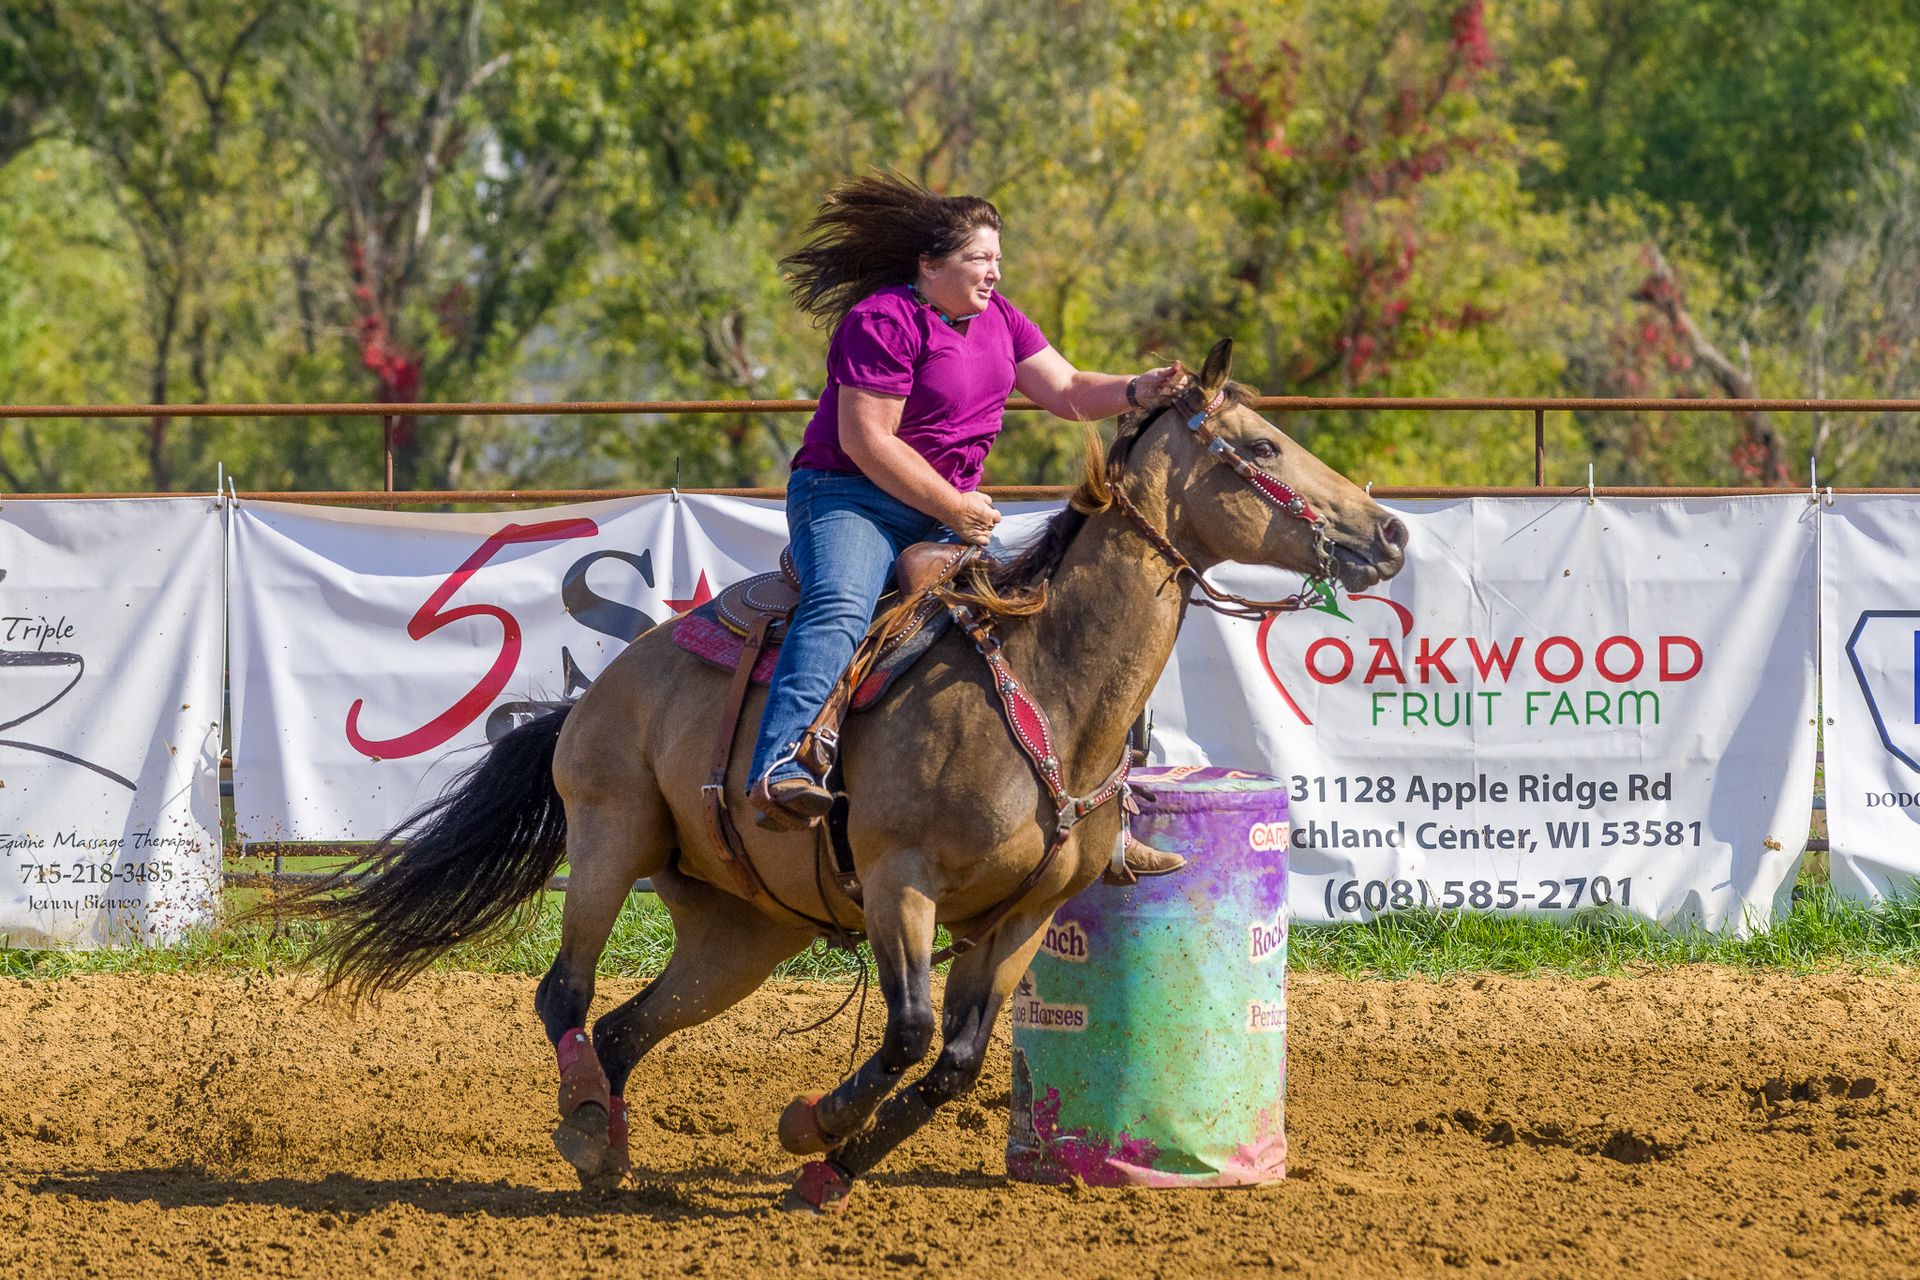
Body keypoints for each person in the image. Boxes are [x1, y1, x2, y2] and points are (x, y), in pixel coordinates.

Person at [746, 173, 1187, 880]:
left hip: (945, 513)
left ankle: (1104, 811)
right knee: (840, 603)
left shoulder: (1004, 322)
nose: (995, 272)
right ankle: (782, 763)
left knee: (1065, 615)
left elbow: (1070, 392)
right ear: (930, 265)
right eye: (981, 258)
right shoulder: (882, 320)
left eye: (997, 260)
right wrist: (954, 508)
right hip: (848, 498)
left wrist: (1139, 390)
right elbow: (867, 440)